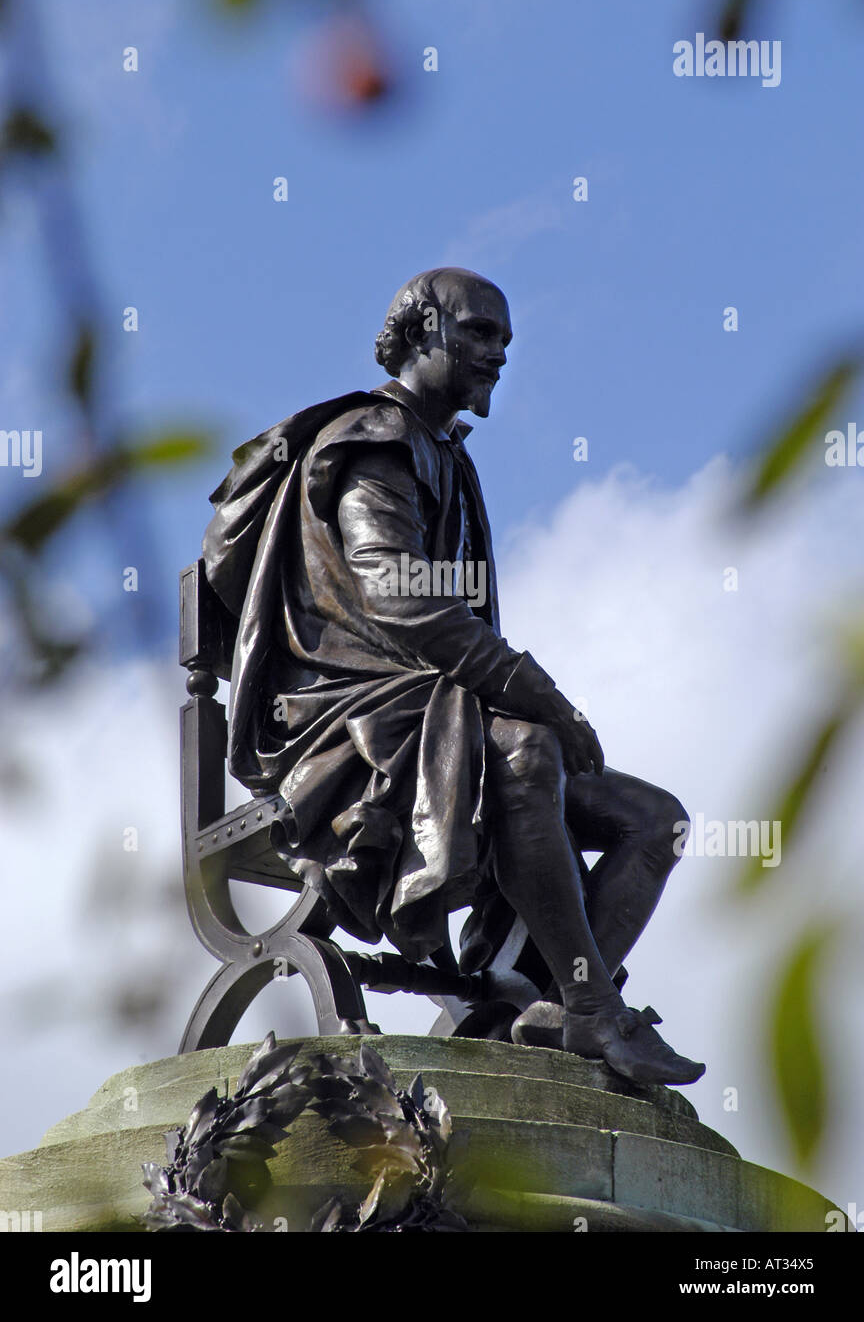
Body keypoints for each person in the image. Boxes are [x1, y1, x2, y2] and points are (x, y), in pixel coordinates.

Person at [203, 267, 705, 1086]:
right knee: (530, 748)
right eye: (478, 332)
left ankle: (542, 1002)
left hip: (432, 715)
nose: (498, 354)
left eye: (506, 339)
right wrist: (537, 691)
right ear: (420, 332)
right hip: (345, 722)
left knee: (656, 820)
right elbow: (400, 598)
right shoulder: (374, 440)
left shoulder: (448, 460)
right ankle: (592, 1010)